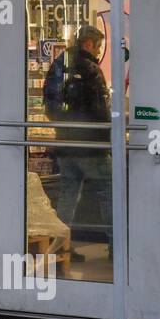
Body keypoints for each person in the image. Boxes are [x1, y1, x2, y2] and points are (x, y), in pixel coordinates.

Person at [43, 25, 112, 242]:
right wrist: (107, 136)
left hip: (65, 142)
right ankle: (117, 245)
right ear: (88, 43)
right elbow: (100, 110)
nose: (99, 51)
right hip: (91, 145)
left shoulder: (58, 64)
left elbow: (50, 107)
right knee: (109, 192)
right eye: (98, 46)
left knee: (67, 194)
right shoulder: (90, 68)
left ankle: (61, 245)